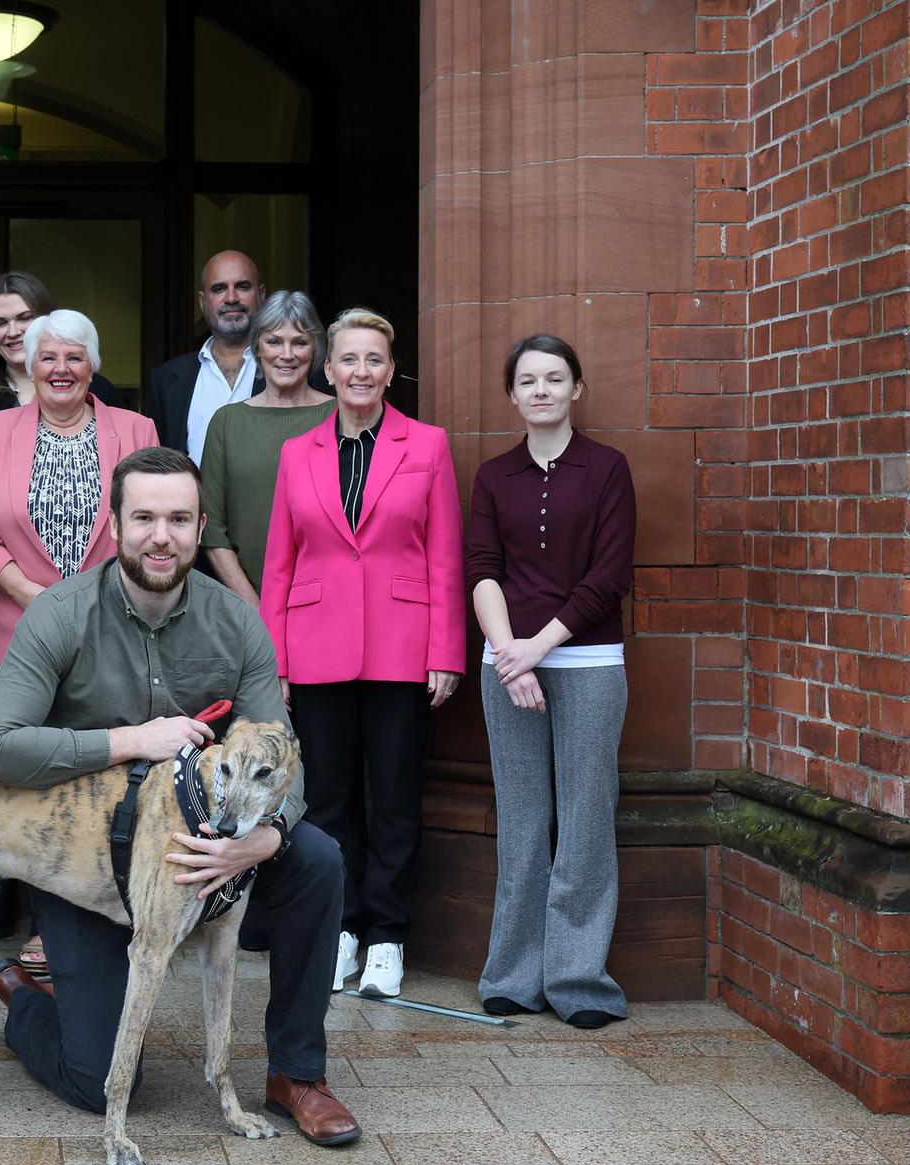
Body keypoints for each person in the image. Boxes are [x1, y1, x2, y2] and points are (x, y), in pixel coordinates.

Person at [0, 446, 359, 1146]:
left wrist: (263, 837)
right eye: (145, 517)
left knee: (317, 858)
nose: (162, 534)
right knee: (95, 1083)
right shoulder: (60, 613)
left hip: (211, 828)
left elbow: (284, 754)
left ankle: (296, 1072)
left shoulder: (236, 621)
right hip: (93, 860)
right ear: (115, 526)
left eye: (179, 518)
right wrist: (128, 740)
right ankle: (24, 999)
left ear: (200, 525)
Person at [260, 308, 463, 1001]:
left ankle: (387, 938)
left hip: (403, 649)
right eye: (349, 359)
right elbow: (279, 563)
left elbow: (444, 555)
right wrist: (275, 660)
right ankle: (341, 929)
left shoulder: (427, 445)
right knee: (328, 803)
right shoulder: (298, 452)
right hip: (315, 650)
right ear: (328, 367)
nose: (360, 372)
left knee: (397, 801)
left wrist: (447, 650)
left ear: (389, 367)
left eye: (374, 359)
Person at [0, 308, 158, 962]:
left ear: (92, 364)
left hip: (113, 626)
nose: (61, 369)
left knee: (103, 772)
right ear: (29, 364)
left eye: (74, 357)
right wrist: (32, 596)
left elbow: (155, 523)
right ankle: (39, 915)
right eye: (49, 357)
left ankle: (97, 911)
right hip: (16, 624)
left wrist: (94, 603)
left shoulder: (136, 428)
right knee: (30, 774)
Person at [468, 334, 636, 1031]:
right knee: (523, 820)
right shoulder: (492, 475)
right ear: (512, 394)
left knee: (587, 817)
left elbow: (609, 576)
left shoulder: (606, 469)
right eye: (528, 380)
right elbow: (481, 568)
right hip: (507, 662)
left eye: (554, 378)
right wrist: (510, 655)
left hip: (587, 662)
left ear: (576, 390)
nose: (540, 389)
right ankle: (512, 973)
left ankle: (578, 978)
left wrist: (537, 648)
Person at [199, 291, 334, 608]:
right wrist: (256, 610)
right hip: (248, 610)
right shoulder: (227, 422)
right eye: (274, 341)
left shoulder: (340, 418)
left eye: (299, 342)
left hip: (328, 606)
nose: (287, 354)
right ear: (256, 348)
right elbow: (212, 528)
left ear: (316, 349)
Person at [0, 271, 124, 469]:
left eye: (24, 318)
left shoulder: (98, 389)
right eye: (0, 323)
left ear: (48, 320)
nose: (12, 332)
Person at [147, 249, 266, 462]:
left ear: (262, 295)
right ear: (202, 302)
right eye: (219, 289)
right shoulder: (166, 380)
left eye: (242, 286)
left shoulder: (289, 369)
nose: (231, 297)